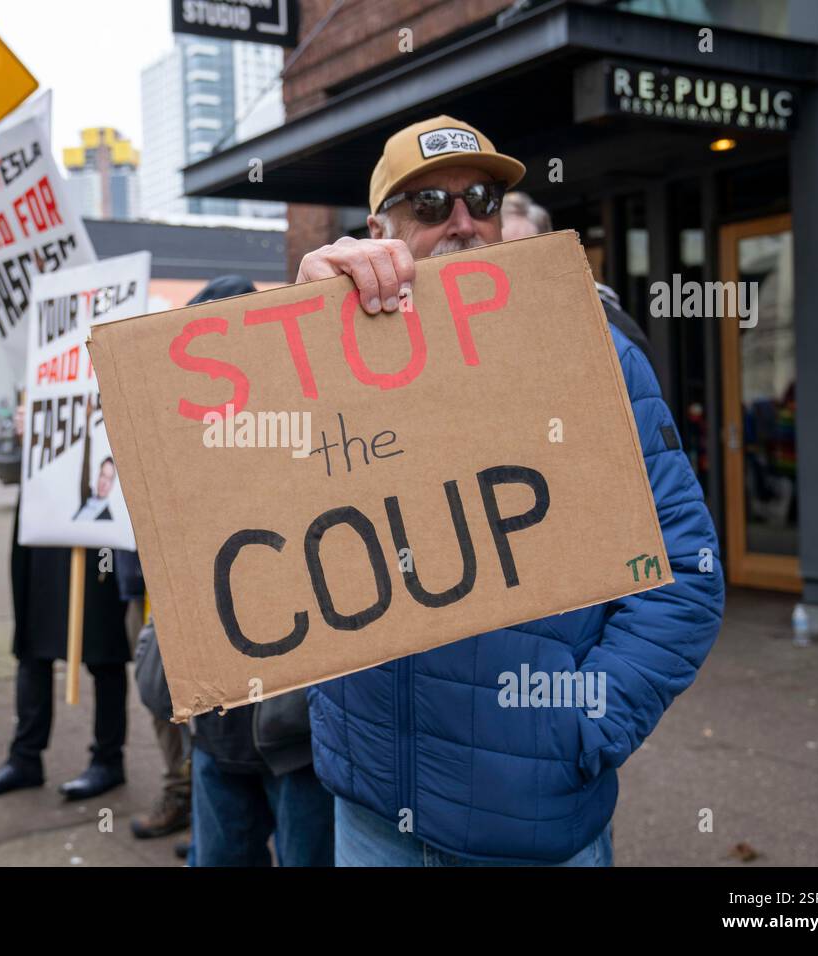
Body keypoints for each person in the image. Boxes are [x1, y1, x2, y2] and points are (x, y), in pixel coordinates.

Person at [293, 115, 724, 866]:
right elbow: (220, 493)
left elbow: (686, 573)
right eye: (430, 204)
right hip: (369, 812)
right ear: (376, 227)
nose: (463, 222)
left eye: (482, 200)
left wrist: (582, 723)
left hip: (527, 825)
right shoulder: (323, 349)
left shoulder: (592, 352)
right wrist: (291, 330)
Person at [0, 411, 131, 801]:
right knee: (32, 644)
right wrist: (30, 431)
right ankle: (25, 758)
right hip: (45, 516)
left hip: (97, 525)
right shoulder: (47, 371)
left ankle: (108, 759)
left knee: (102, 647)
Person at [500, 190, 661, 380]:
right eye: (501, 254)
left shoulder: (604, 319)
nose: (513, 265)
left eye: (524, 252)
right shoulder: (492, 327)